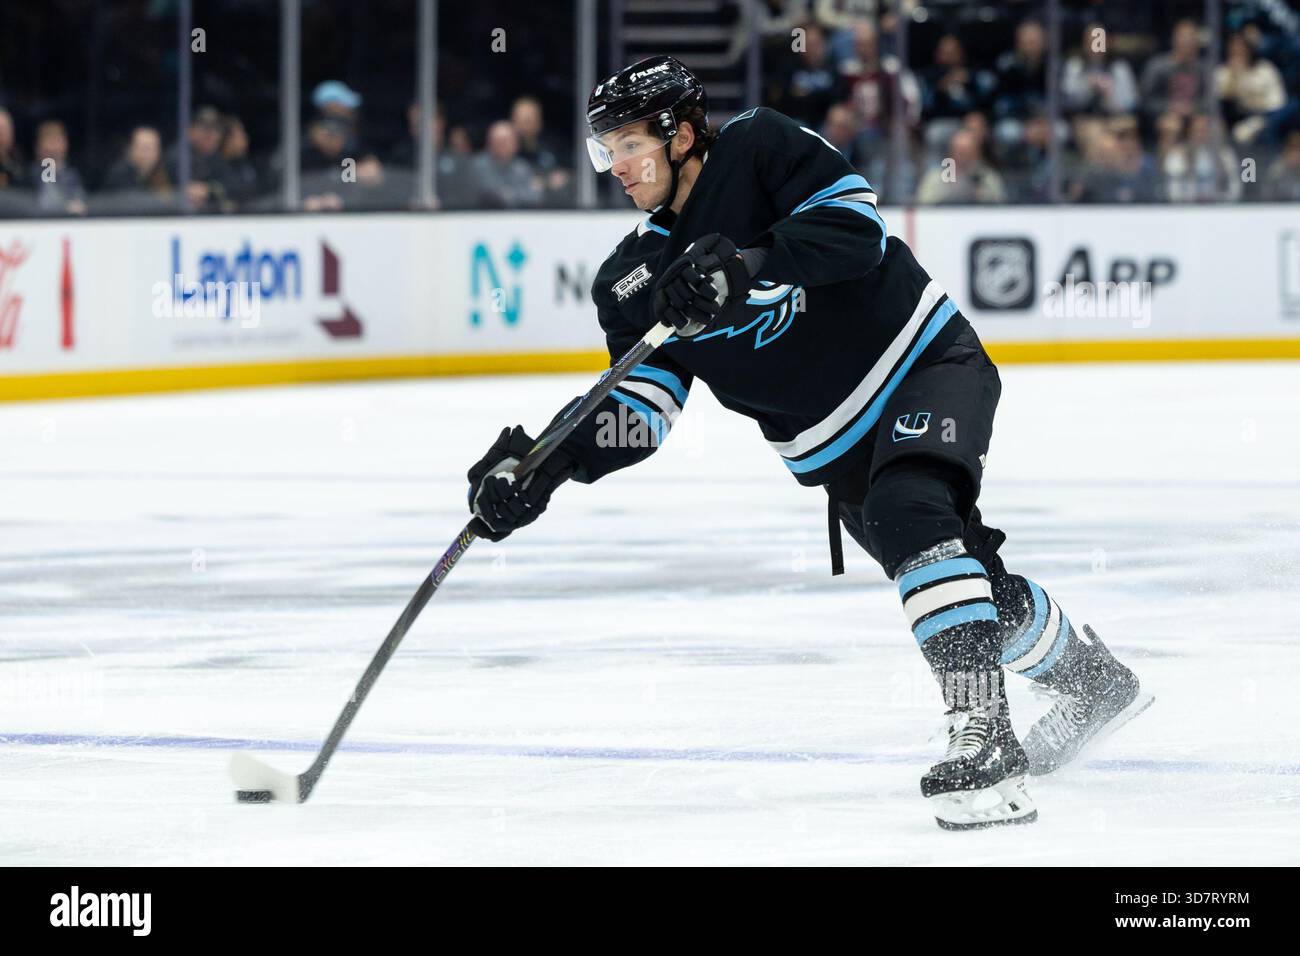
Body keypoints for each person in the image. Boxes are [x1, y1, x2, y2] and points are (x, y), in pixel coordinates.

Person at [463, 56, 1152, 830]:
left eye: (627, 145)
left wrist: (750, 263)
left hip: (927, 366)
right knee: (964, 581)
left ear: (681, 134)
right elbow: (643, 408)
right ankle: (1095, 683)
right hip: (836, 455)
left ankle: (983, 732)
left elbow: (857, 231)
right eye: (606, 151)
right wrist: (546, 466)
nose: (615, 168)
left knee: (911, 511)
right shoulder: (631, 280)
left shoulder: (759, 147)